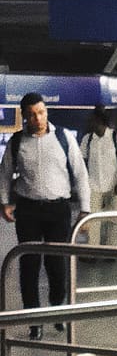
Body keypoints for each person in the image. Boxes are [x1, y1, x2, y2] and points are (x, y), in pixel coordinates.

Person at [0, 92, 91, 339]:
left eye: (40, 112)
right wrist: (5, 202)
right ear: (24, 116)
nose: (37, 118)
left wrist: (85, 208)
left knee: (56, 264)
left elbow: (80, 174)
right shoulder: (17, 142)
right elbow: (5, 173)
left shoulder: (63, 138)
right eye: (31, 114)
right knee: (28, 265)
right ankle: (34, 320)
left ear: (46, 112)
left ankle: (56, 308)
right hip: (28, 209)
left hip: (57, 209)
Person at [80, 105, 117, 246]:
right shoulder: (87, 139)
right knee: (92, 219)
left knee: (113, 219)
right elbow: (83, 163)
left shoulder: (116, 137)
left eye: (92, 120)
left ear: (99, 121)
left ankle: (111, 248)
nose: (90, 123)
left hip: (113, 184)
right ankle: (93, 249)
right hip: (93, 185)